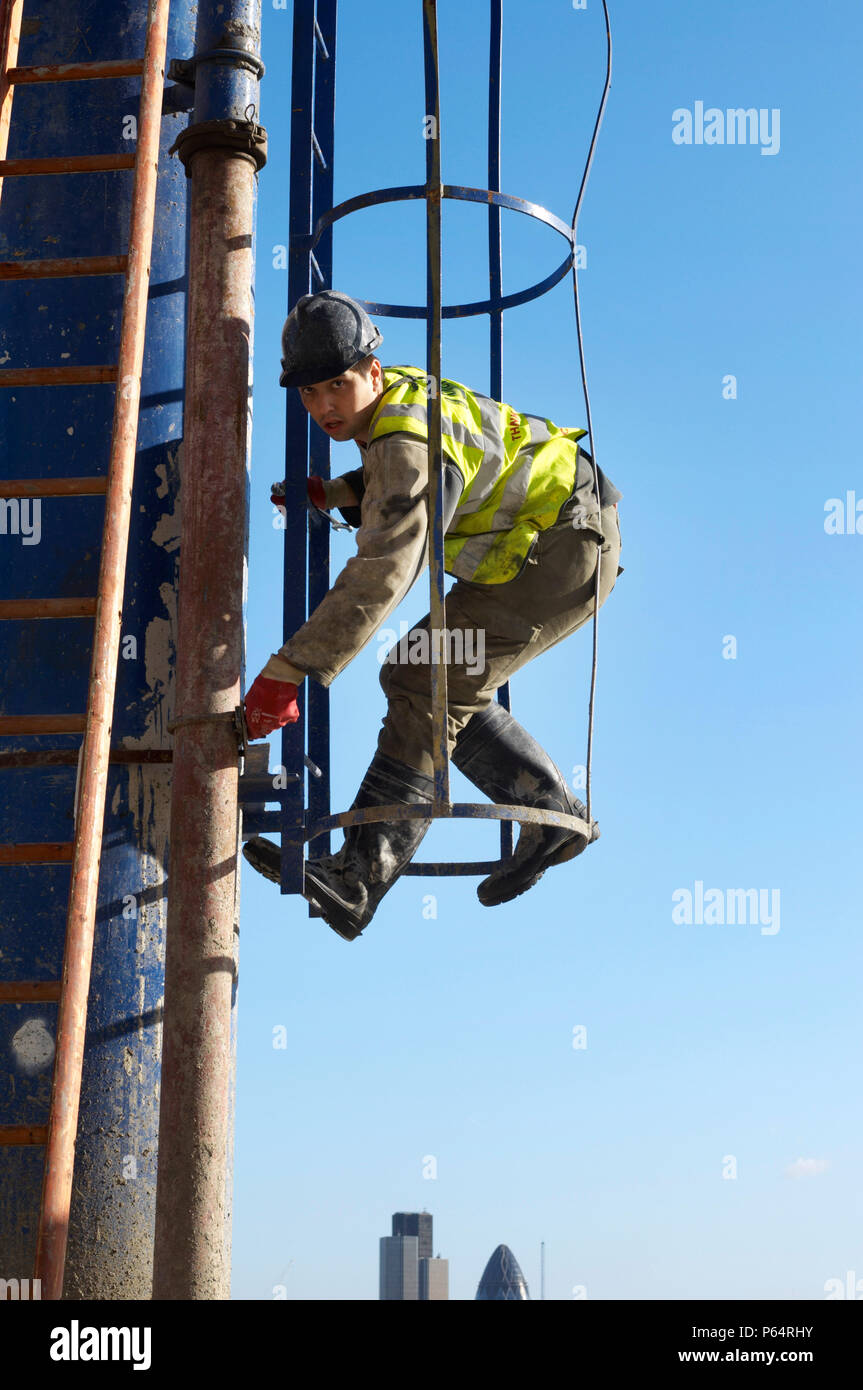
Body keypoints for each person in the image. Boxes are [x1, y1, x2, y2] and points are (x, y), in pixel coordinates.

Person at [242, 290, 622, 941]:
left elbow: (387, 566)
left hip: (562, 549)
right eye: (309, 393)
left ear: (372, 372)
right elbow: (409, 473)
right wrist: (336, 491)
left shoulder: (403, 439)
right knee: (419, 675)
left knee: (426, 680)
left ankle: (359, 876)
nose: (325, 406)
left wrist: (290, 668)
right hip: (563, 536)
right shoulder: (399, 400)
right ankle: (545, 808)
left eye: (337, 386)